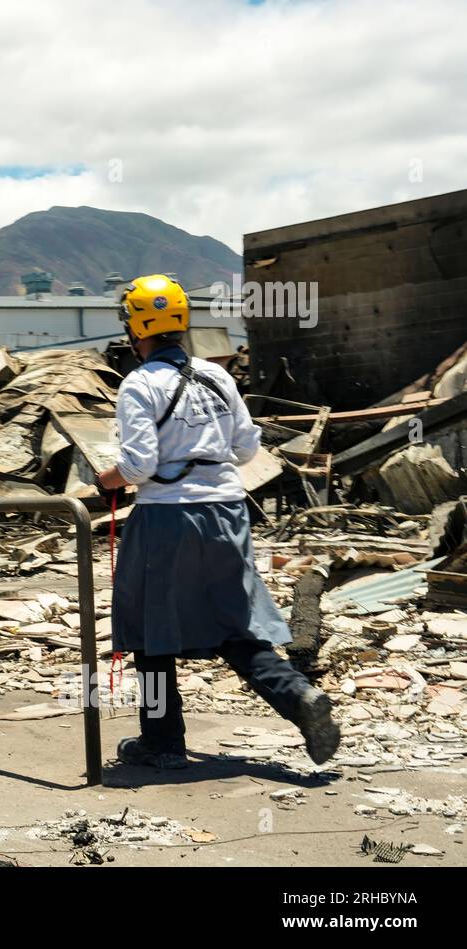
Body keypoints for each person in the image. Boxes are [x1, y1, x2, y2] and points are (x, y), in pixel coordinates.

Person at [95, 274, 340, 770]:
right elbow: (248, 448)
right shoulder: (218, 376)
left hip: (167, 518)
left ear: (135, 328)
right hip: (228, 512)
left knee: (150, 633)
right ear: (181, 322)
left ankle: (163, 743)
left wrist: (108, 478)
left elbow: (139, 467)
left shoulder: (139, 384)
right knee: (236, 625)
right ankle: (298, 697)